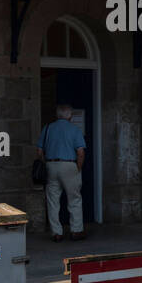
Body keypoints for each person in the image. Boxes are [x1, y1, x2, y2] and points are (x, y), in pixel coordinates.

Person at [36, 104, 87, 242]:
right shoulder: (74, 129)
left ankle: (56, 233)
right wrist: (78, 168)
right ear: (70, 116)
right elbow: (80, 152)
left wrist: (47, 163)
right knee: (74, 199)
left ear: (57, 115)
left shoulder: (47, 129)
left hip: (51, 165)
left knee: (52, 201)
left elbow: (39, 152)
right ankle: (76, 231)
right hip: (69, 164)